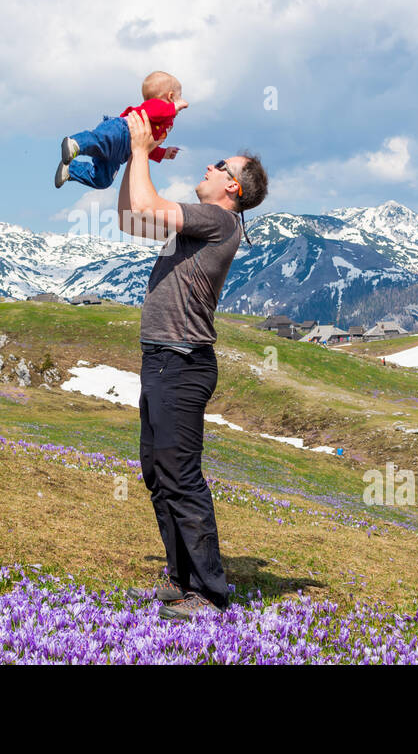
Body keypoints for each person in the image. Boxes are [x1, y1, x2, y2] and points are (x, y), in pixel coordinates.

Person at [119, 110, 268, 621]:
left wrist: (141, 151)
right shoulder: (198, 228)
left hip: (181, 363)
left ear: (234, 188)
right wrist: (127, 155)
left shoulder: (218, 220)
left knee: (180, 475)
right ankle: (181, 578)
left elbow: (146, 202)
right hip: (163, 358)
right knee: (157, 472)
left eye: (220, 164)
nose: (208, 164)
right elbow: (132, 217)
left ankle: (209, 593)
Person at [55, 71, 186, 189]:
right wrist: (174, 107)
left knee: (103, 180)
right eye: (179, 97)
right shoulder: (156, 106)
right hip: (122, 131)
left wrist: (163, 153)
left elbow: (144, 148)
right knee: (102, 141)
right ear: (170, 96)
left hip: (121, 153)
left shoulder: (164, 120)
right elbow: (156, 112)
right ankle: (76, 143)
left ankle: (70, 170)